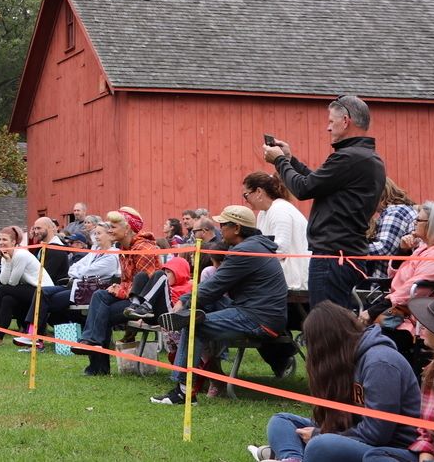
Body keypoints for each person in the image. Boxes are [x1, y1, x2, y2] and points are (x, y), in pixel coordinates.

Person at [150, 205, 289, 405]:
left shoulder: (245, 251)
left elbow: (214, 286)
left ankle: (183, 392)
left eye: (223, 225)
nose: (219, 229)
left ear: (237, 228)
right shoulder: (256, 246)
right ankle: (210, 376)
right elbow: (215, 287)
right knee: (198, 314)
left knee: (193, 326)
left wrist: (183, 301)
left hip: (258, 318)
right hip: (260, 312)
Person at [251, 302, 419, 462]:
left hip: (389, 451)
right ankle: (293, 458)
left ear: (327, 343)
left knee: (320, 446)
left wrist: (319, 435)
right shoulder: (346, 359)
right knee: (282, 422)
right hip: (356, 437)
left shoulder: (380, 363)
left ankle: (287, 453)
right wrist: (323, 433)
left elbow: (377, 434)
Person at [264, 94, 386, 308]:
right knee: (336, 321)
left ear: (345, 121)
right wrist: (290, 160)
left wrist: (280, 161)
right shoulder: (365, 157)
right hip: (344, 255)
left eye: (331, 121)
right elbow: (317, 184)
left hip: (332, 257)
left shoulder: (348, 157)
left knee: (325, 323)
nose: (328, 128)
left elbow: (303, 189)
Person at [74, 208, 161, 375]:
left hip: (145, 304)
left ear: (127, 228)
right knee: (99, 296)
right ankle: (92, 343)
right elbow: (128, 282)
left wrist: (120, 289)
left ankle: (96, 361)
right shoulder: (124, 249)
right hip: (130, 298)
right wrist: (120, 287)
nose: (109, 230)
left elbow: (146, 285)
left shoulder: (144, 248)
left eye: (113, 227)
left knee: (102, 313)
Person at [360, 294, 434, 461]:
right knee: (375, 456)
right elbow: (427, 433)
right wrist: (425, 457)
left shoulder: (381, 361)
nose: (422, 324)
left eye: (431, 322)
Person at [359, 203, 434, 353]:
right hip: (397, 311)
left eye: (418, 220)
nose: (414, 223)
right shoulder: (423, 248)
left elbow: (412, 289)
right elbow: (394, 277)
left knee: (364, 340)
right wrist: (402, 251)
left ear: (432, 225)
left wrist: (373, 311)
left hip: (415, 321)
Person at [0, 226, 51, 347]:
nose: (1, 242)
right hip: (29, 289)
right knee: (7, 299)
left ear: (13, 242)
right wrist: (7, 262)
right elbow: (4, 280)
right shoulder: (5, 256)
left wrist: (9, 262)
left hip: (44, 291)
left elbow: (12, 283)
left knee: (3, 289)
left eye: (4, 239)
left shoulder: (20, 255)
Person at [244, 171, 311, 291]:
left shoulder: (280, 210)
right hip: (282, 278)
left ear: (259, 192)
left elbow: (280, 249)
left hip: (295, 280)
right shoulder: (263, 213)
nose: (246, 200)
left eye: (246, 195)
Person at [364, 179, 418, 278]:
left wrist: (351, 250)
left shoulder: (394, 213)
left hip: (386, 281)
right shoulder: (403, 209)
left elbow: (385, 249)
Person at [28, 216, 68, 285]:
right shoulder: (41, 247)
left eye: (39, 228)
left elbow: (46, 276)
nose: (36, 232)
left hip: (49, 286)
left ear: (49, 228)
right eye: (35, 229)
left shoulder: (56, 249)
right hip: (37, 283)